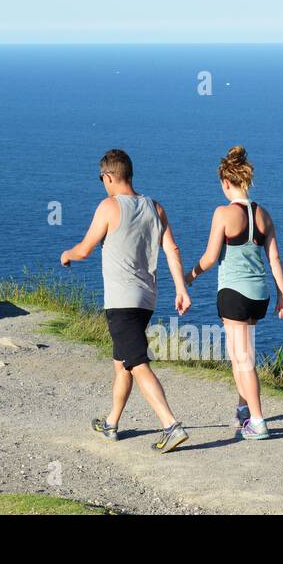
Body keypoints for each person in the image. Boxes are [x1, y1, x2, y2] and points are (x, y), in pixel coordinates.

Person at [60, 148, 192, 453]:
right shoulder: (155, 208)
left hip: (120, 301)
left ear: (108, 177)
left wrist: (67, 255)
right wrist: (181, 289)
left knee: (137, 362)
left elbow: (84, 250)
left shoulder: (108, 207)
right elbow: (172, 250)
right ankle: (111, 423)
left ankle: (170, 425)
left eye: (102, 179)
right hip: (146, 299)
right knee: (122, 363)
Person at [185, 146, 283, 439]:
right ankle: (244, 411)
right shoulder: (264, 214)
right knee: (239, 354)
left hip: (233, 292)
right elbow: (275, 258)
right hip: (260, 294)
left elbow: (209, 258)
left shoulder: (223, 214)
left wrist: (189, 277)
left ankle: (258, 421)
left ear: (226, 183)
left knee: (242, 357)